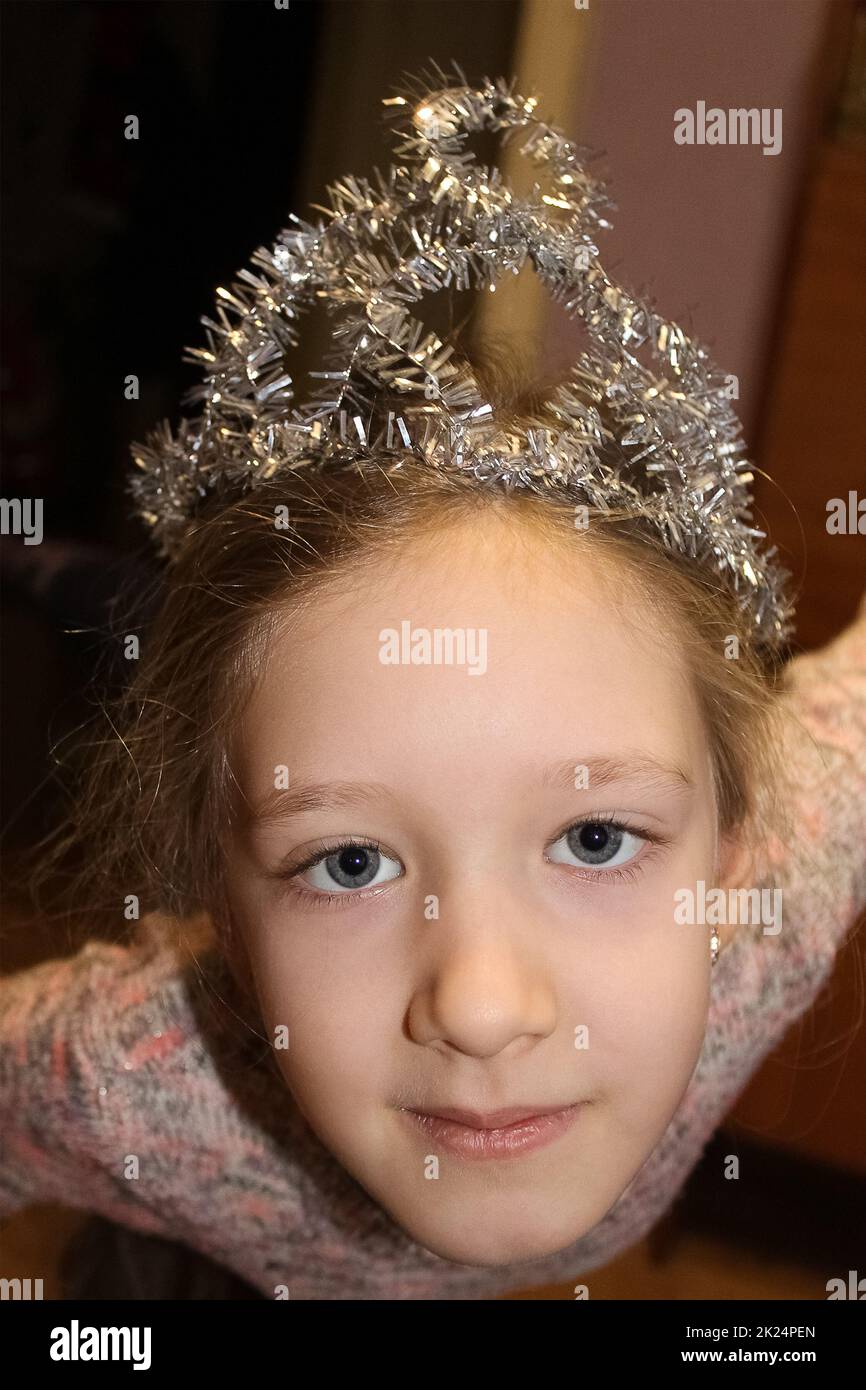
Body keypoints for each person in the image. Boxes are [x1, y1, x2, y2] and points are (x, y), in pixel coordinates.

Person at [1, 65, 863, 1300]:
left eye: (595, 836)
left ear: (732, 850)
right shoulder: (130, 1074)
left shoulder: (767, 913)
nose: (480, 1004)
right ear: (222, 912)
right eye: (348, 860)